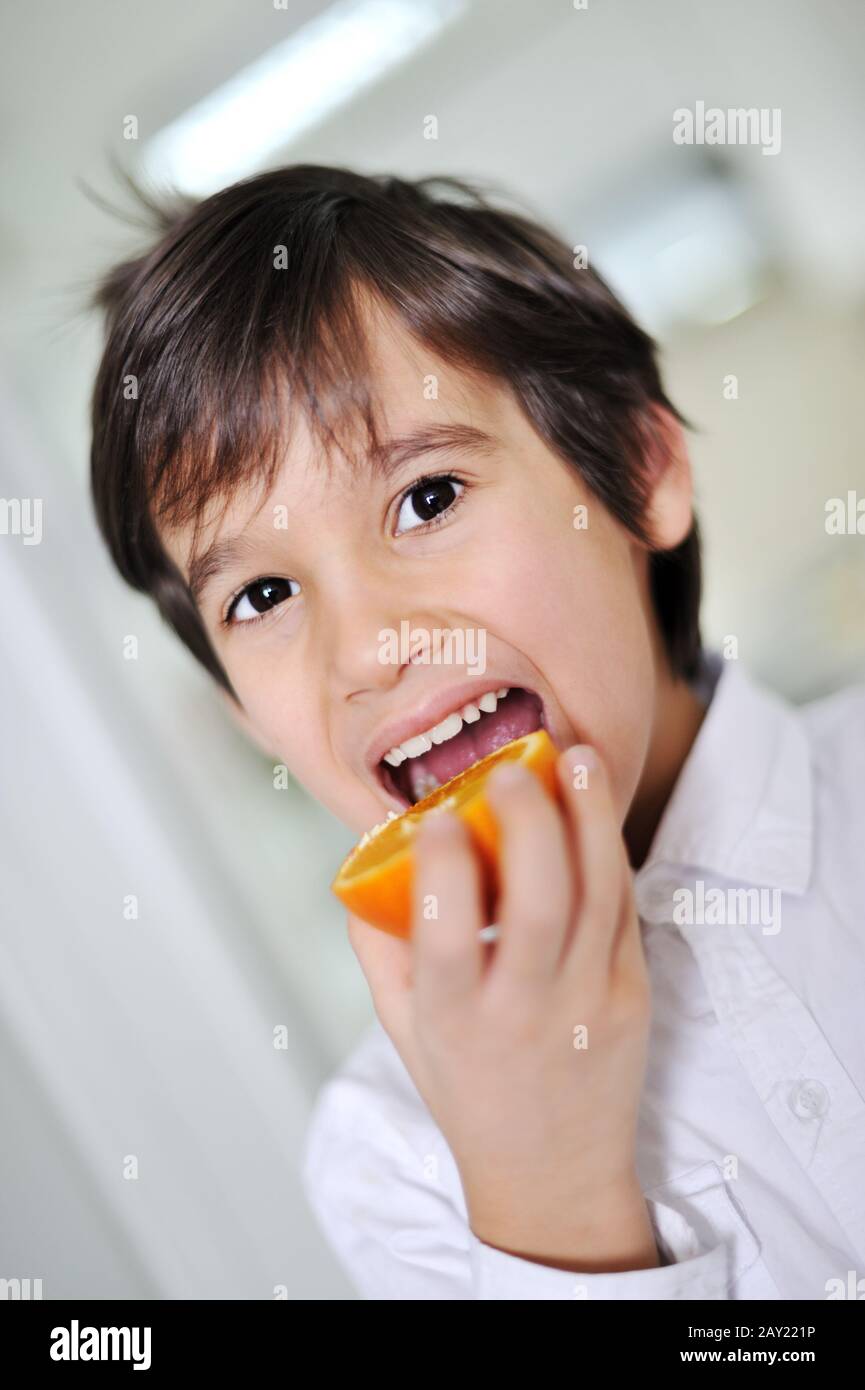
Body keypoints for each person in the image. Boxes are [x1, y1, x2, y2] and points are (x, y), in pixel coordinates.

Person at [88, 164, 865, 1299]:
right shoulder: (386, 1163)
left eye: (428, 497)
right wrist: (539, 1191)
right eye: (260, 596)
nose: (366, 649)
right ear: (241, 714)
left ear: (639, 470)